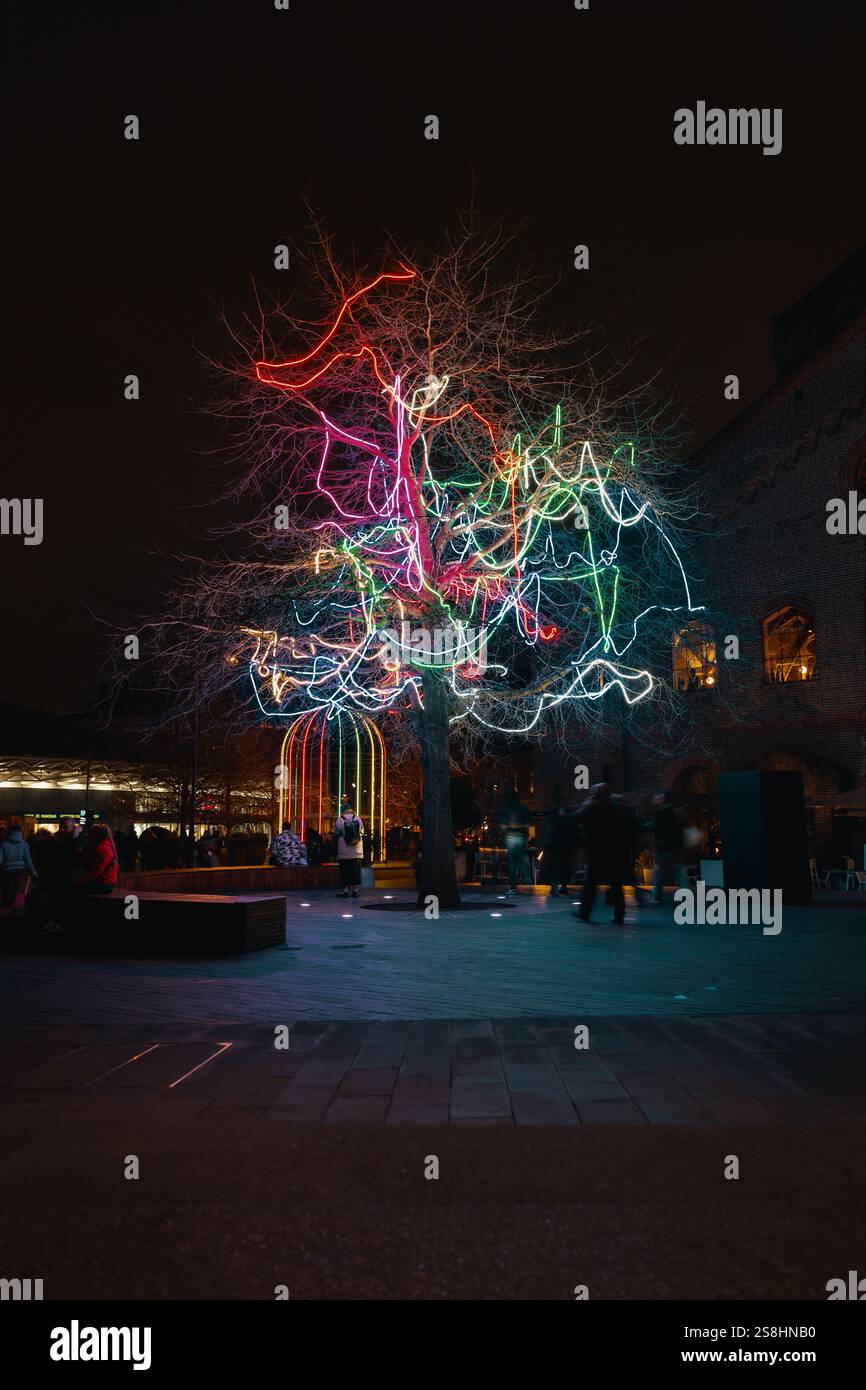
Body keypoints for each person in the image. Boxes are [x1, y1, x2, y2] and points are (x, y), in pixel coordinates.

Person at [574, 783, 633, 926]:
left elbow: (576, 818)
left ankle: (585, 912)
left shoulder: (593, 807)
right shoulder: (616, 808)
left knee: (591, 884)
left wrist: (585, 804)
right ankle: (619, 915)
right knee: (616, 885)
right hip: (615, 851)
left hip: (597, 850)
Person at [651, 790, 686, 903]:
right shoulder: (676, 811)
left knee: (660, 871)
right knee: (678, 869)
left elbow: (657, 828)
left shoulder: (663, 813)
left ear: (663, 800)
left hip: (665, 846)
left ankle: (656, 895)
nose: (655, 800)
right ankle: (686, 894)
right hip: (677, 845)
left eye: (657, 798)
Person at [541, 802, 579, 897]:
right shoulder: (568, 819)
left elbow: (547, 834)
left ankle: (555, 889)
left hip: (553, 848)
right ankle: (563, 887)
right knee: (564, 867)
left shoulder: (552, 819)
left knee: (554, 868)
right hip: (564, 848)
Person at [499, 790, 532, 895]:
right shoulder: (524, 808)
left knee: (511, 862)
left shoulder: (505, 809)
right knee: (520, 859)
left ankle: (513, 886)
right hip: (521, 836)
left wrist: (507, 830)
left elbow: (503, 826)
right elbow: (527, 824)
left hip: (510, 836)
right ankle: (527, 877)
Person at [0, 826, 37, 908]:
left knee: (7, 894)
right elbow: (28, 860)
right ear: (20, 833)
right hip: (21, 872)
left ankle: (6, 914)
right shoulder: (24, 844)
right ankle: (18, 914)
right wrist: (33, 872)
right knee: (20, 895)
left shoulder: (3, 845)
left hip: (6, 873)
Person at [334, 802, 364, 898]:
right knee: (355, 870)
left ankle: (346, 890)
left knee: (345, 870)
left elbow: (336, 834)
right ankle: (355, 889)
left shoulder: (340, 820)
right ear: (351, 809)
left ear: (343, 811)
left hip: (344, 849)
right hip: (357, 849)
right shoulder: (357, 818)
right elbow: (362, 831)